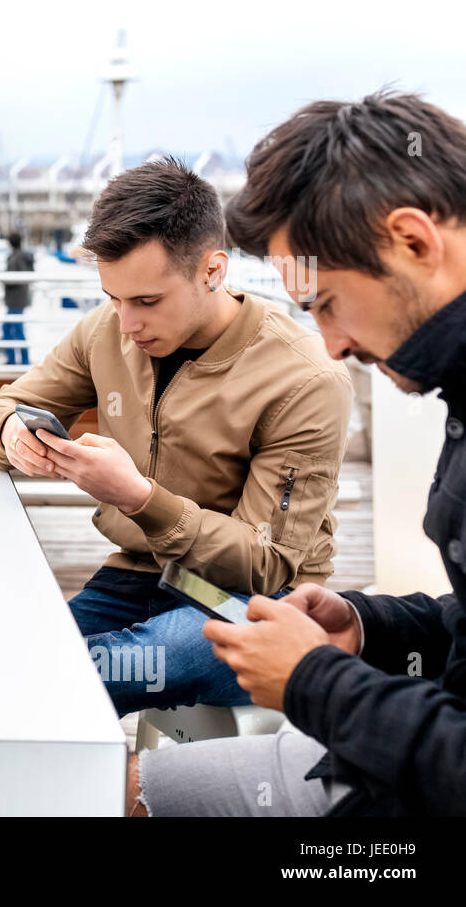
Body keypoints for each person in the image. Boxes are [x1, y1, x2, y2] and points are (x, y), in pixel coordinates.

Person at [132, 91, 466, 817]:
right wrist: (369, 625)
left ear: (413, 240)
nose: (332, 345)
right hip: (388, 732)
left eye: (326, 304)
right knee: (120, 789)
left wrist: (313, 680)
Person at [0, 157, 351, 716]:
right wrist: (12, 433)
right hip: (137, 572)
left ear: (213, 270)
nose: (127, 325)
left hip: (254, 599)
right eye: (113, 298)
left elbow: (267, 560)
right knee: (26, 667)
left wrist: (137, 498)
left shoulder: (304, 378)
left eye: (147, 301)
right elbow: (3, 407)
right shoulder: (107, 329)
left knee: (75, 671)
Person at [2, 233, 34, 366]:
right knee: (11, 328)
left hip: (15, 299)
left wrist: (4, 278)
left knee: (13, 329)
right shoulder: (25, 256)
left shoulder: (17, 257)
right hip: (19, 298)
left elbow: (16, 278)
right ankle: (18, 360)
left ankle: (17, 360)